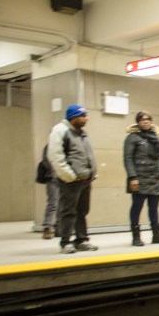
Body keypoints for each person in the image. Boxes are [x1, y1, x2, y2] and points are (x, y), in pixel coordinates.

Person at [47, 104, 98, 254]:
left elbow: (86, 155)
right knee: (68, 212)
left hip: (85, 180)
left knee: (82, 211)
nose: (86, 118)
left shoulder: (82, 133)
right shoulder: (60, 130)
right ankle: (65, 242)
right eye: (83, 116)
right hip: (70, 181)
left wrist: (92, 172)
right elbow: (55, 156)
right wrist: (69, 176)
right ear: (73, 117)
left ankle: (81, 240)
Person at [123, 111, 159, 246]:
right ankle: (136, 237)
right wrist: (132, 177)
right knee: (137, 207)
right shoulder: (132, 138)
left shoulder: (155, 137)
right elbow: (128, 158)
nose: (145, 121)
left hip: (155, 177)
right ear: (138, 122)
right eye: (142, 119)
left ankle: (157, 235)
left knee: (154, 207)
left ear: (151, 121)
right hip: (139, 177)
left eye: (148, 119)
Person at [37, 144, 59, 239]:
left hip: (64, 179)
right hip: (52, 178)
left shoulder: (65, 144)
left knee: (62, 204)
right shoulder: (49, 146)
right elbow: (46, 161)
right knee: (52, 203)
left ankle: (58, 227)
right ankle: (47, 227)